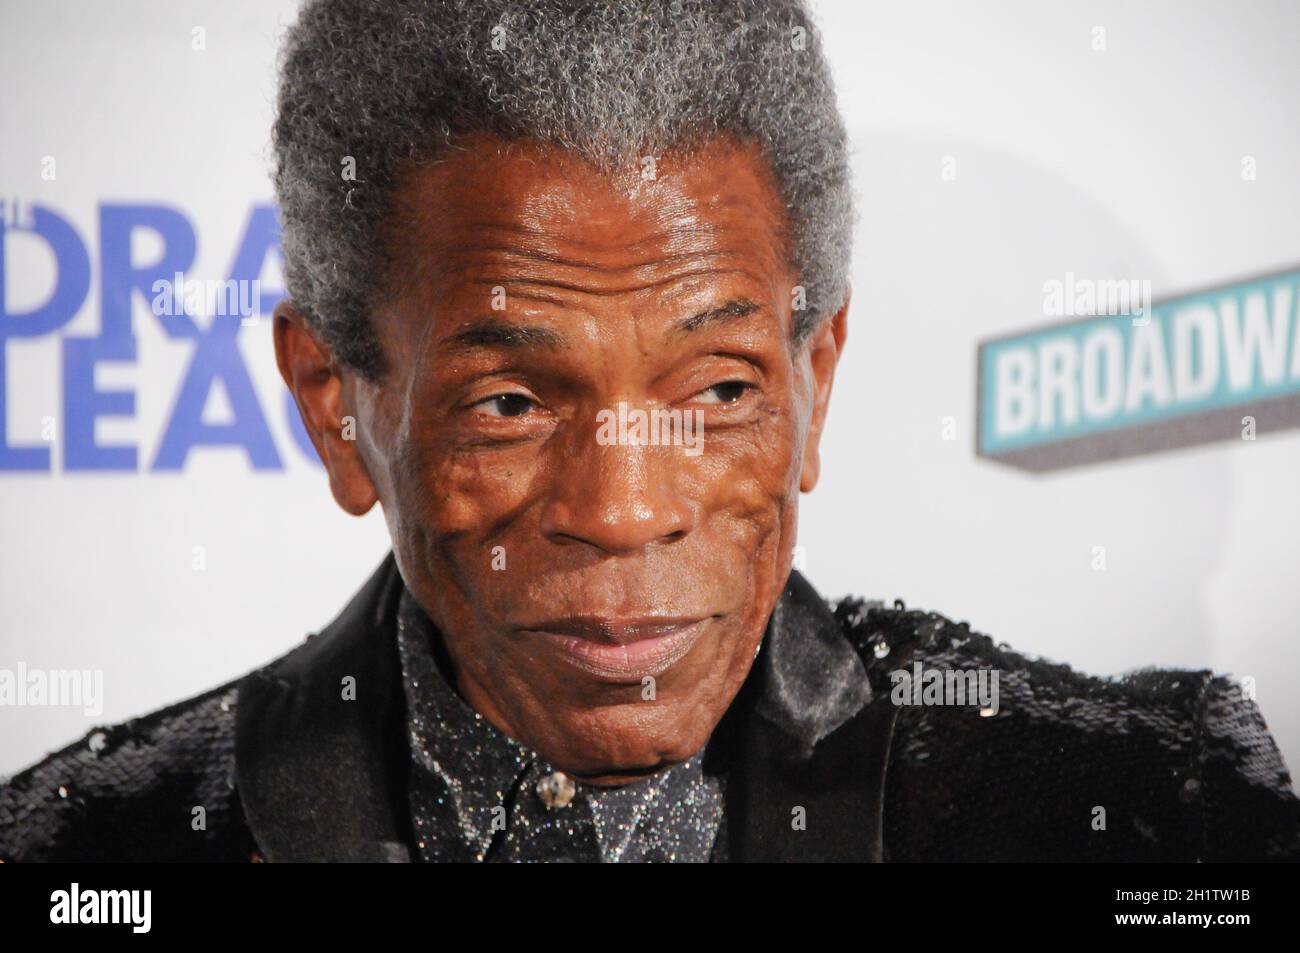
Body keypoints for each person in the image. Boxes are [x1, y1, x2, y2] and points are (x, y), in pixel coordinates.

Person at [2, 0, 1296, 862]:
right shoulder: (84, 850)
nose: (623, 508)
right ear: (338, 406)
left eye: (719, 389)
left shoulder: (1165, 814)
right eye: (510, 403)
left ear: (816, 384)